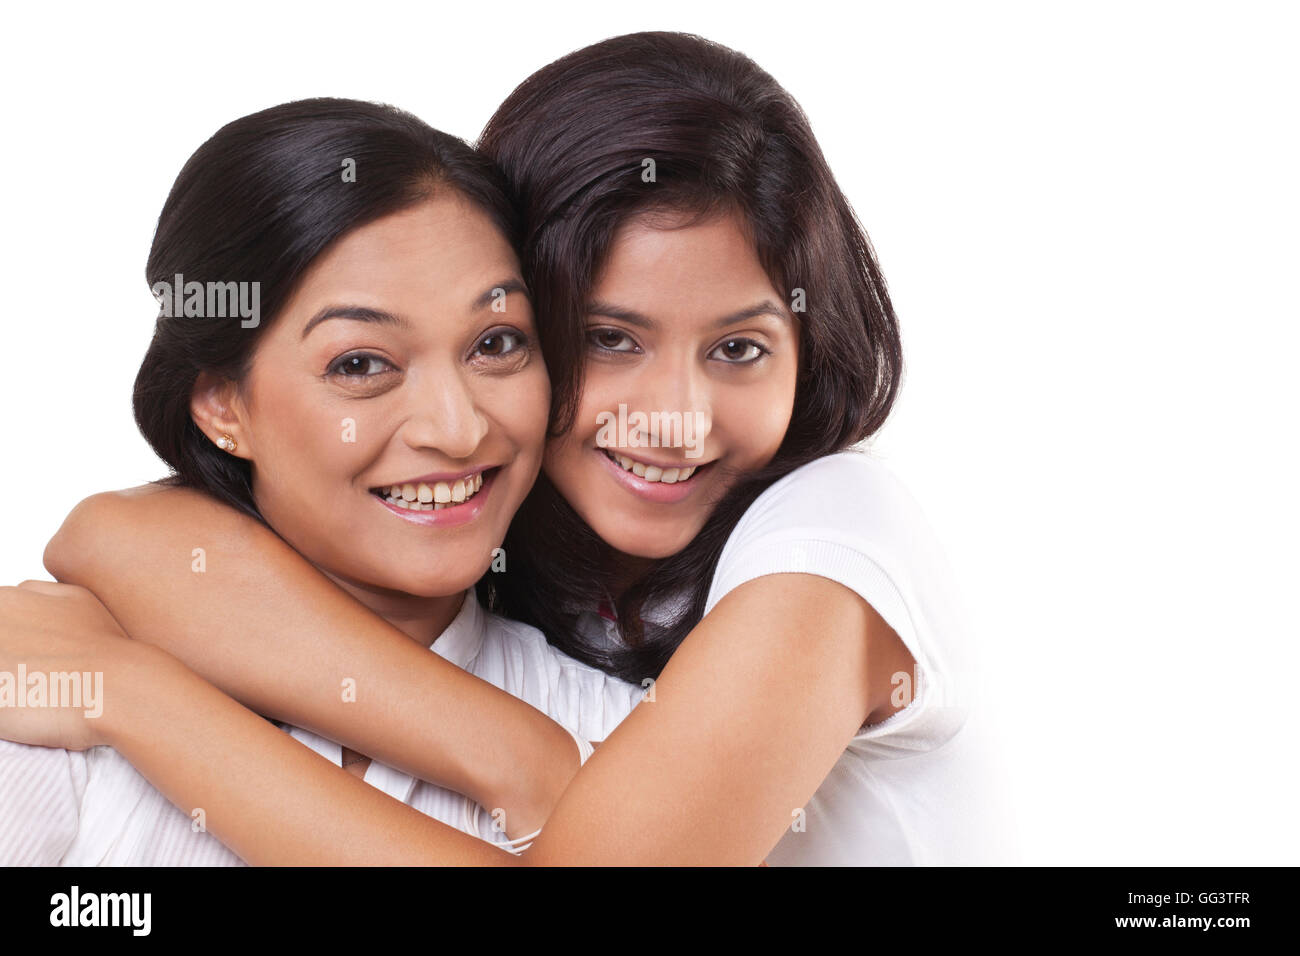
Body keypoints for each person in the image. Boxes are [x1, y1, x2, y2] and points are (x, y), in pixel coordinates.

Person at [2, 33, 1006, 865]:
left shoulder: (829, 535)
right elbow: (116, 532)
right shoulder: (555, 595)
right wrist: (518, 753)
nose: (679, 418)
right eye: (610, 337)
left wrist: (132, 694)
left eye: (740, 346)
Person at [0, 97, 644, 865]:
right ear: (223, 406)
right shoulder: (44, 680)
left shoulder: (628, 740)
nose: (458, 428)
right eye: (360, 364)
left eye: (496, 343)